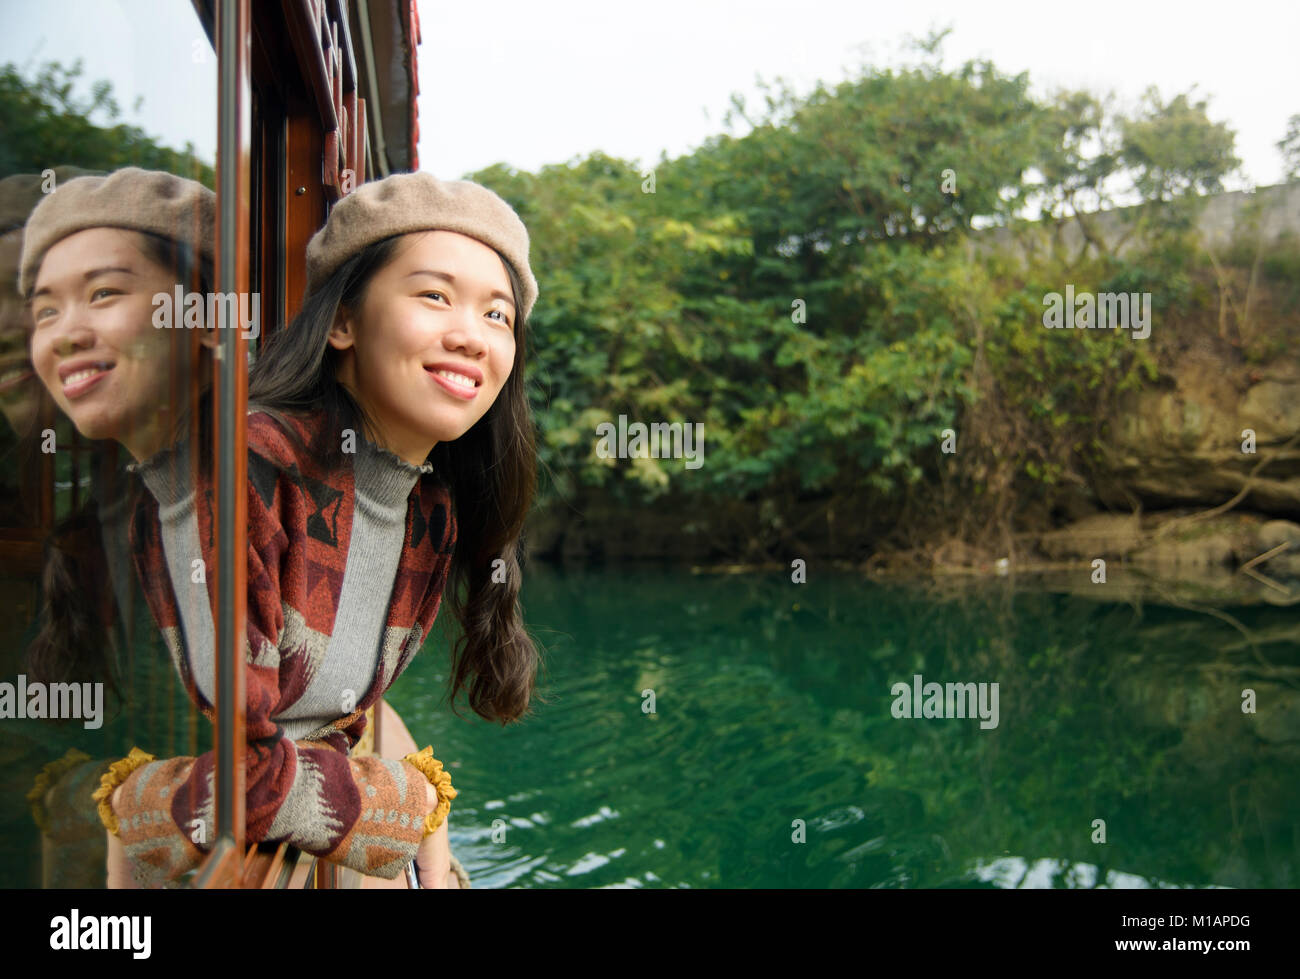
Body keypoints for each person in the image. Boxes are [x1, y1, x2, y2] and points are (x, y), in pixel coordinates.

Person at [23, 169, 542, 887]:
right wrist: (417, 802)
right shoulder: (251, 470)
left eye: (498, 316)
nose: (471, 336)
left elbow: (335, 721)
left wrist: (416, 816)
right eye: (434, 295)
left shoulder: (430, 510)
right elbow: (246, 782)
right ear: (342, 322)